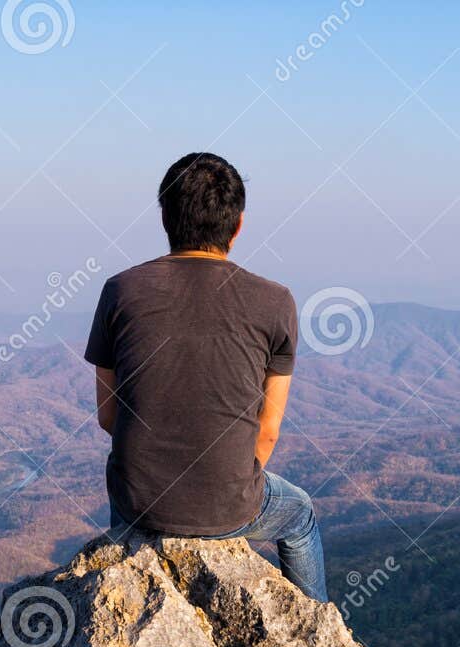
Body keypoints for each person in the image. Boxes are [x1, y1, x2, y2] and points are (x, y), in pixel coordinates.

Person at [83, 152, 327, 602]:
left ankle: (133, 558)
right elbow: (268, 432)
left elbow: (109, 417)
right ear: (238, 226)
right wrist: (226, 493)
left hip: (139, 504)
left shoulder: (120, 291)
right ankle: (315, 618)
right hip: (231, 506)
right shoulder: (275, 302)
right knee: (300, 516)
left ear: (165, 217)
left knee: (121, 470)